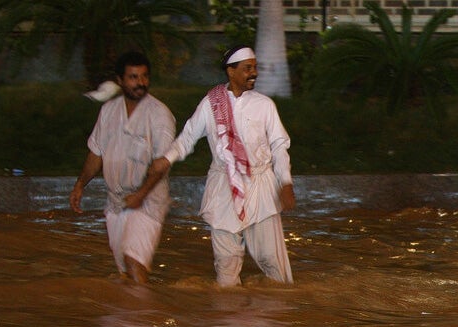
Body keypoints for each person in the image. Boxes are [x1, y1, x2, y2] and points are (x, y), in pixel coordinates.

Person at [142, 45, 296, 286]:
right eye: (247, 68)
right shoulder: (210, 104)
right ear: (231, 71)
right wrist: (167, 158)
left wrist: (285, 182)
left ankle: (277, 316)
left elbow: (279, 145)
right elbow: (188, 138)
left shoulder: (265, 105)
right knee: (226, 262)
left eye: (255, 67)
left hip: (261, 187)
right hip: (223, 187)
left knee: (272, 261)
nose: (254, 72)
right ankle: (229, 317)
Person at [69, 51, 175, 284]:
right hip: (117, 203)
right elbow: (96, 153)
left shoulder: (159, 115)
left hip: (148, 201)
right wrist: (79, 185)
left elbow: (161, 165)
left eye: (145, 77)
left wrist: (141, 195)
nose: (140, 83)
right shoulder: (108, 111)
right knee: (125, 273)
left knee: (133, 262)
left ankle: (144, 315)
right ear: (120, 80)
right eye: (133, 77)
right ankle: (131, 318)